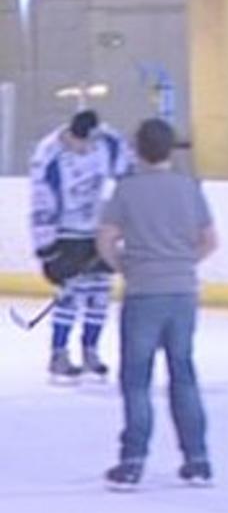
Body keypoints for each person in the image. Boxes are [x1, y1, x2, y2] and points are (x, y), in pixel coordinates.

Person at [96, 119, 218, 489]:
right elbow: (209, 240)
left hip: (143, 292)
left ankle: (132, 461)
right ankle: (197, 460)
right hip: (182, 293)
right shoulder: (188, 188)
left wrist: (125, 267)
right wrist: (182, 263)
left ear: (137, 148)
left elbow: (106, 239)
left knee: (137, 379)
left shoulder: (126, 191)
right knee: (183, 374)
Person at [29, 109, 132, 383]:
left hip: (98, 231)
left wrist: (124, 221)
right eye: (80, 145)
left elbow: (129, 174)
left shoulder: (108, 141)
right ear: (70, 136)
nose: (85, 150)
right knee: (70, 296)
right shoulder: (49, 154)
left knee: (99, 294)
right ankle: (59, 353)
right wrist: (46, 250)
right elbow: (41, 203)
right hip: (65, 233)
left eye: (90, 145)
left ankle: (91, 350)